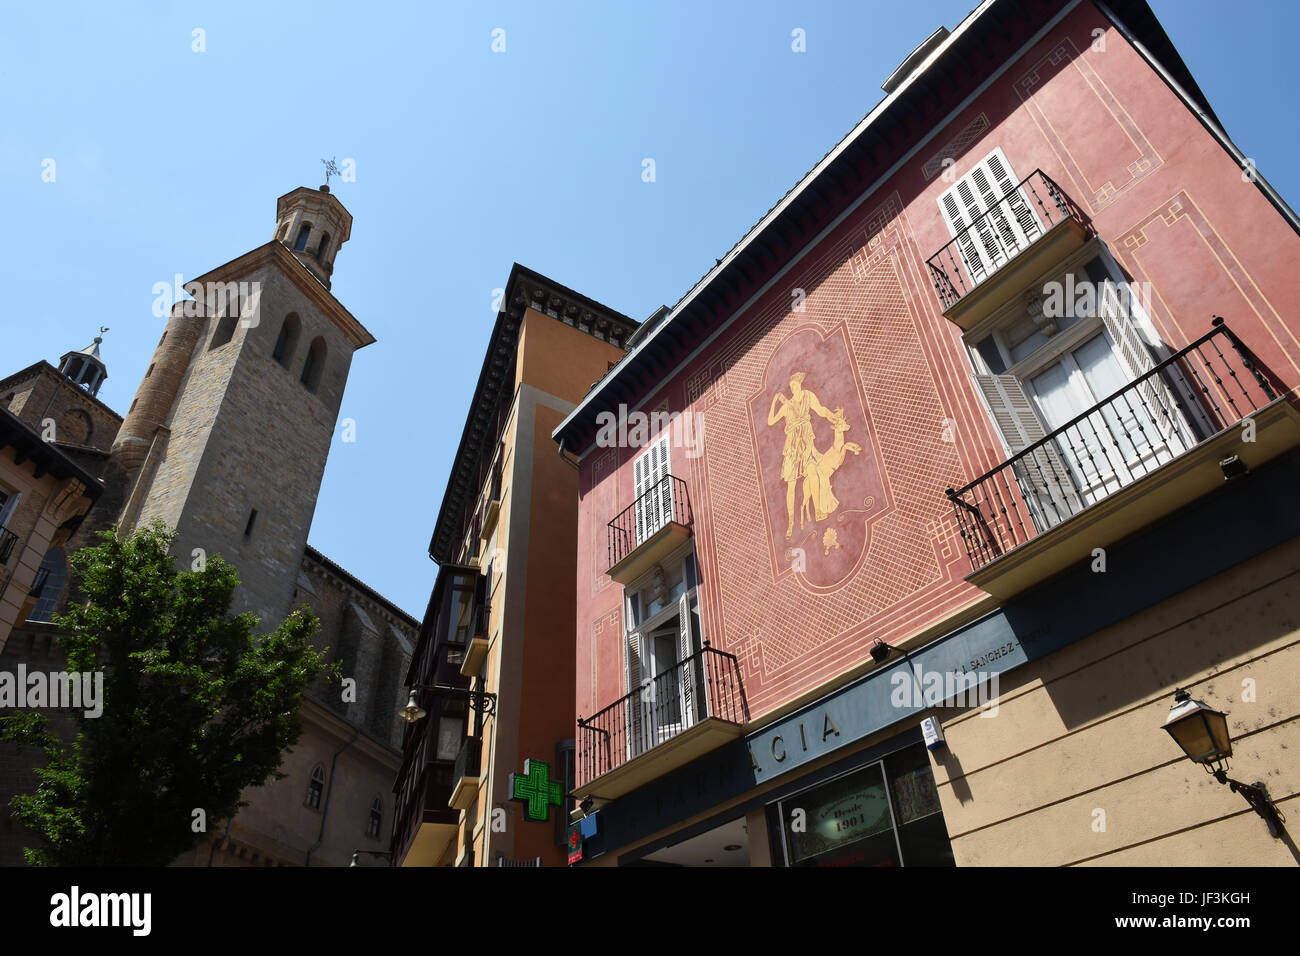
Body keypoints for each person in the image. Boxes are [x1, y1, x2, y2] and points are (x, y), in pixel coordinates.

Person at [767, 371, 835, 538]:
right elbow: (770, 421)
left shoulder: (808, 396)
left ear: (800, 385)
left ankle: (818, 510)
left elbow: (820, 410)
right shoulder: (786, 406)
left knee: (812, 471)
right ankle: (791, 524)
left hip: (806, 441)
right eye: (792, 386)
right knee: (791, 486)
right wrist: (775, 401)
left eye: (796, 384)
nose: (794, 387)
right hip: (791, 446)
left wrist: (833, 417)